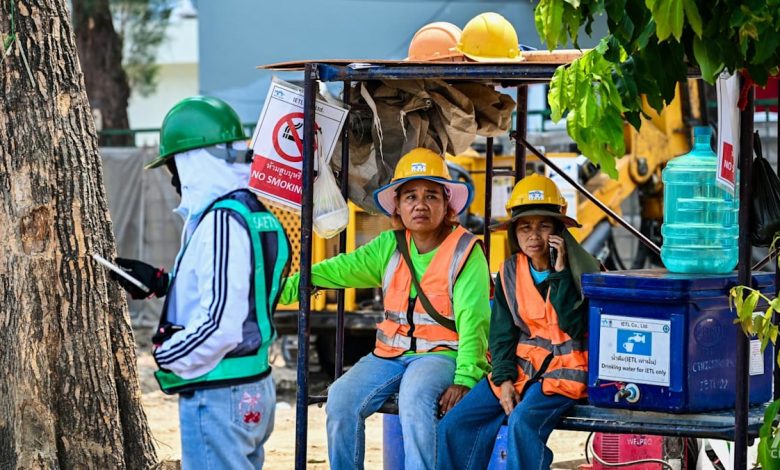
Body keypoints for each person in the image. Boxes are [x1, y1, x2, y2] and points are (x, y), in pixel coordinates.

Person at [279, 147, 491, 470]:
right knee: (341, 398)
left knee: (415, 396)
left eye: (431, 196)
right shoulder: (388, 245)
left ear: (447, 205)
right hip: (390, 355)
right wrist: (286, 289)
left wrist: (465, 376)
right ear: (398, 207)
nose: (420, 204)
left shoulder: (466, 251)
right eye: (410, 196)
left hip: (442, 354)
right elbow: (339, 269)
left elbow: (474, 321)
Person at [111, 96, 290, 469]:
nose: (175, 180)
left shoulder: (222, 222)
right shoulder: (256, 213)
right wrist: (163, 282)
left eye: (175, 167)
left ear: (197, 160)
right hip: (253, 387)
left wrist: (165, 355)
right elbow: (242, 290)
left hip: (220, 393)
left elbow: (220, 325)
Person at [436, 173, 600, 470]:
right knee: (454, 425)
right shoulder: (509, 270)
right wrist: (504, 379)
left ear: (559, 231)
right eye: (525, 227)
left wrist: (560, 273)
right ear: (515, 233)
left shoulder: (584, 270)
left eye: (543, 226)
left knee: (523, 422)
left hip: (565, 375)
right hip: (520, 371)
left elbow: (577, 326)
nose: (533, 236)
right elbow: (501, 335)